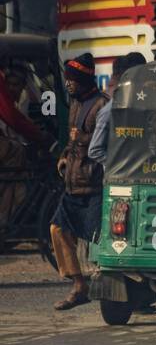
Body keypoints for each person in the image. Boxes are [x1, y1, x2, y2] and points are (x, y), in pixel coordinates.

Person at [49, 53, 109, 311]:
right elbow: (73, 141)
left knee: (98, 239)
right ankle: (79, 285)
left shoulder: (102, 106)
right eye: (67, 79)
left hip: (94, 186)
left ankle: (118, 291)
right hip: (73, 185)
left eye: (73, 79)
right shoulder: (75, 103)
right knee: (57, 229)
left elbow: (102, 147)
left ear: (84, 80)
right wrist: (64, 156)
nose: (68, 84)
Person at [1, 66, 52, 222]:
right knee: (14, 171)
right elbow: (14, 119)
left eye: (16, 85)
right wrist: (40, 136)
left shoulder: (24, 102)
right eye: (9, 84)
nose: (11, 88)